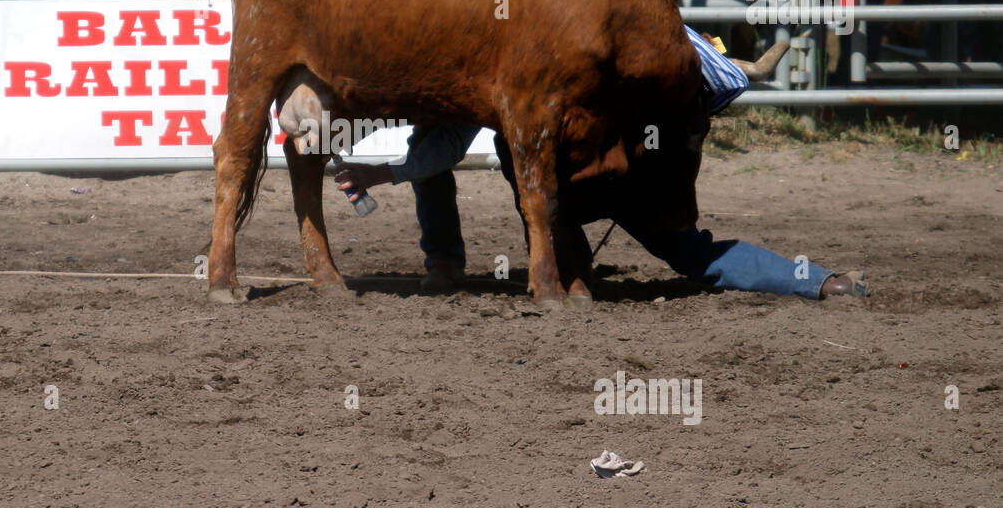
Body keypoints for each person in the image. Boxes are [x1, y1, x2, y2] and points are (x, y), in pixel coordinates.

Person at [332, 27, 870, 301]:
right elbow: (724, 80)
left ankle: (567, 272)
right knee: (691, 252)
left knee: (521, 162)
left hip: (566, 184)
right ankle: (822, 283)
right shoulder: (657, 35)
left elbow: (446, 141)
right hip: (640, 171)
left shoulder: (518, 45)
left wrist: (385, 173)